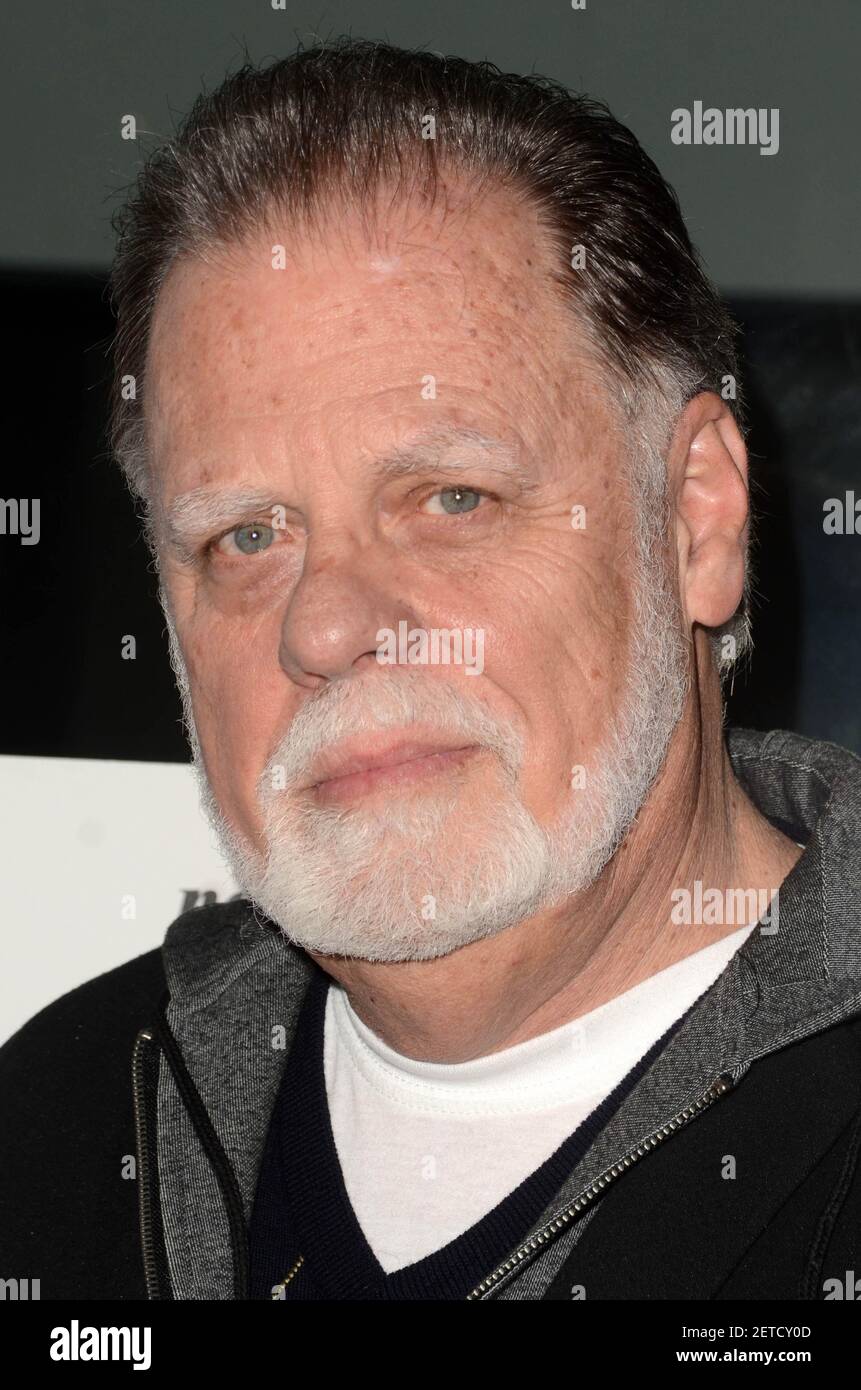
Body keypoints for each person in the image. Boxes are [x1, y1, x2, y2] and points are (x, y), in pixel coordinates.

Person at [2, 38, 860, 1302]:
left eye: (449, 496)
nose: (328, 627)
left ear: (693, 522)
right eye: (247, 536)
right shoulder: (60, 1122)